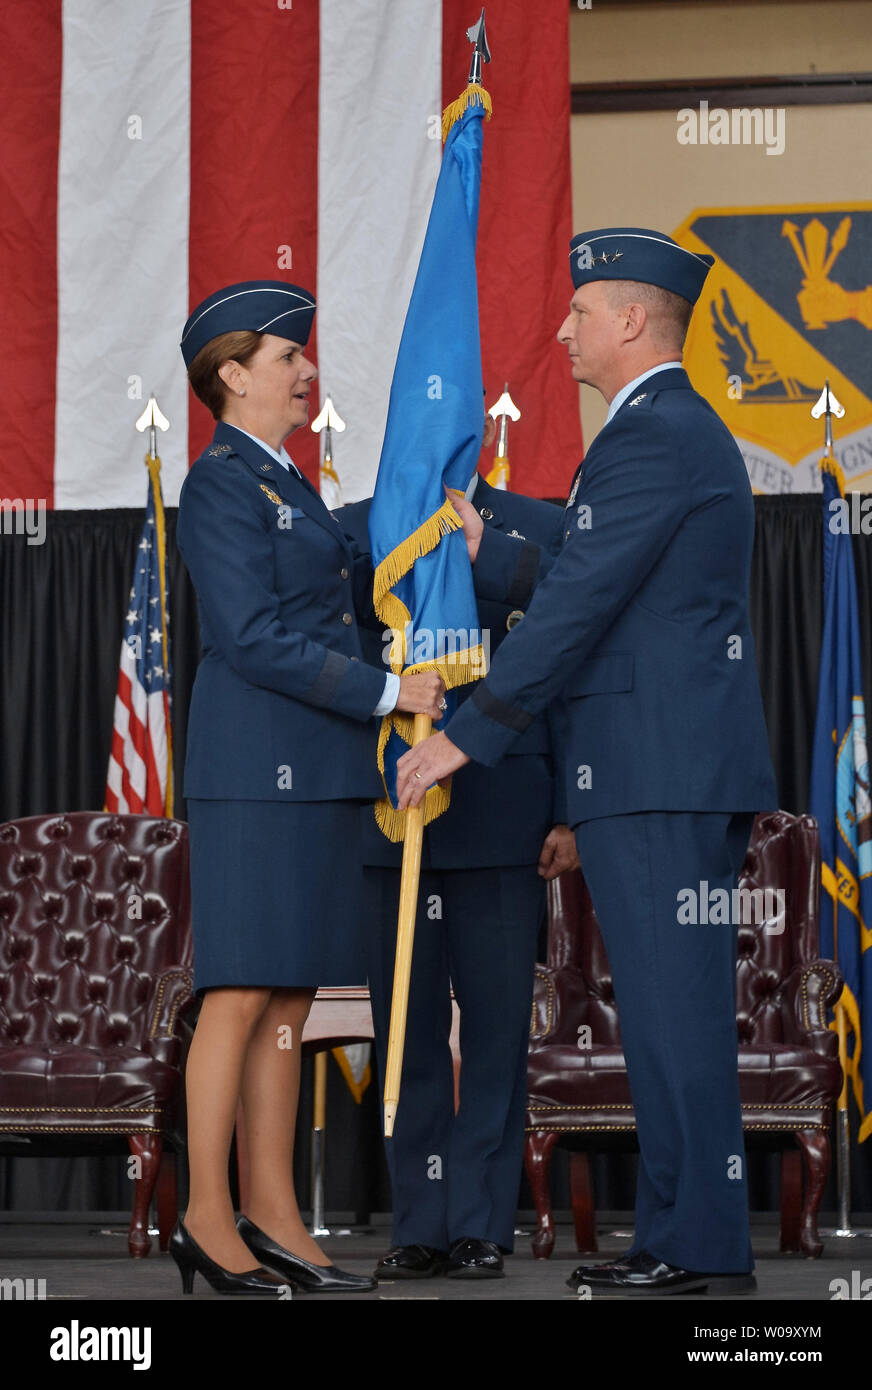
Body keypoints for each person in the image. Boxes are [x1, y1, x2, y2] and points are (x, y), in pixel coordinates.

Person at [395, 230, 778, 1296]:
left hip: (658, 770)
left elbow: (575, 605)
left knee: (675, 1014)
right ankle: (677, 1233)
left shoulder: (652, 434)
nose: (560, 330)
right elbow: (587, 558)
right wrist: (492, 543)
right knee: (663, 1013)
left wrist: (465, 738)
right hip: (650, 769)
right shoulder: (656, 433)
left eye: (577, 312)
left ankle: (697, 1245)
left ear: (630, 320)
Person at [172, 279, 445, 1295]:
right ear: (233, 374)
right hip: (253, 775)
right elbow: (249, 637)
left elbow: (334, 570)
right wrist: (386, 689)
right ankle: (208, 1214)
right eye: (288, 359)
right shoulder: (220, 485)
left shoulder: (280, 482)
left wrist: (429, 498)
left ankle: (274, 1212)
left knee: (286, 994)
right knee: (237, 992)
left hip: (309, 775)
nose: (305, 372)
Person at [339, 413, 575, 1279]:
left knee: (498, 1035)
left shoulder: (538, 531)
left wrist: (571, 812)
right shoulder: (352, 532)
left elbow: (566, 678)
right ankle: (419, 1221)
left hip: (508, 814)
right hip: (389, 817)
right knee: (406, 1035)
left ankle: (480, 1223)